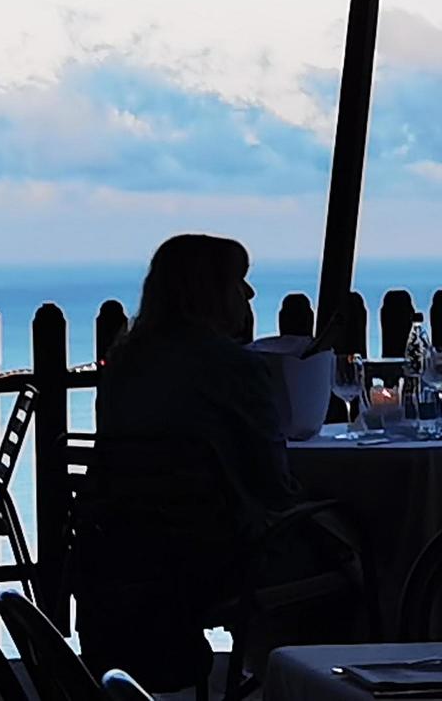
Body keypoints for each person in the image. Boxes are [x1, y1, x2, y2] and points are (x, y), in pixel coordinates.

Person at [75, 234, 301, 688]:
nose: (250, 294)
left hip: (125, 557)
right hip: (212, 559)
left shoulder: (125, 362)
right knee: (360, 550)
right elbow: (272, 484)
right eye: (240, 281)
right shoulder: (234, 368)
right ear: (212, 291)